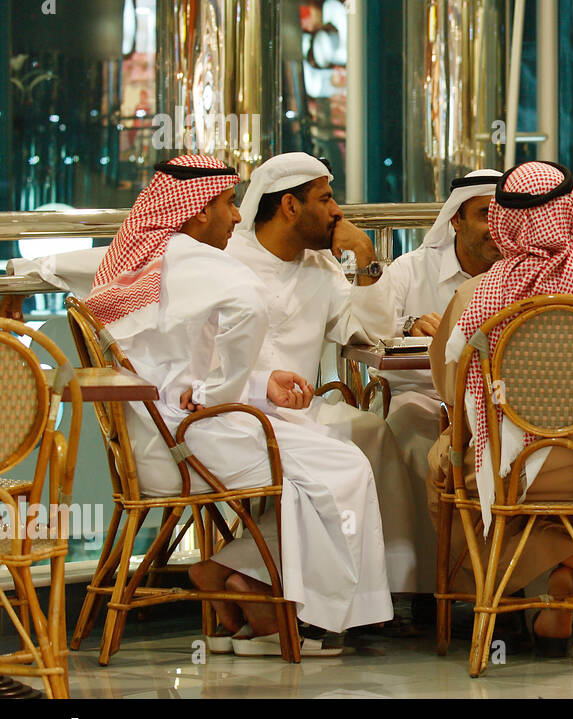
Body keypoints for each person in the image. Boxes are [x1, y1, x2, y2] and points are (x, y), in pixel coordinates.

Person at [84, 154, 390, 654]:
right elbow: (242, 316)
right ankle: (301, 614)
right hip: (188, 440)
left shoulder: (148, 256)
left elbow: (177, 368)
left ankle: (257, 586)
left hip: (154, 437)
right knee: (341, 466)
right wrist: (224, 397)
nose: (236, 215)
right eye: (227, 203)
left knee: (334, 459)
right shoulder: (203, 261)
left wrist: (251, 386)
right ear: (197, 210)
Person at [428, 161, 573, 654]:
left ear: (503, 222)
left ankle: (504, 591)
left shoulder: (475, 296)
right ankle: (565, 577)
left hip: (499, 475)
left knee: (441, 463)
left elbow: (452, 391)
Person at [223, 154, 416, 618]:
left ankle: (389, 592)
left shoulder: (320, 268)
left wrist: (366, 259)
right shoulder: (228, 263)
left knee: (375, 435)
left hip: (301, 413)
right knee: (341, 466)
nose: (338, 213)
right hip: (231, 412)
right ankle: (302, 602)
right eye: (326, 199)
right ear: (290, 206)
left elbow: (375, 331)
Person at [359, 169, 502, 599]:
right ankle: (423, 588)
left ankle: (504, 585)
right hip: (418, 396)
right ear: (455, 221)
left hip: (499, 404)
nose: (496, 226)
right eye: (484, 215)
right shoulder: (409, 270)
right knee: (419, 443)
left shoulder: (519, 272)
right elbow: (371, 332)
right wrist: (409, 324)